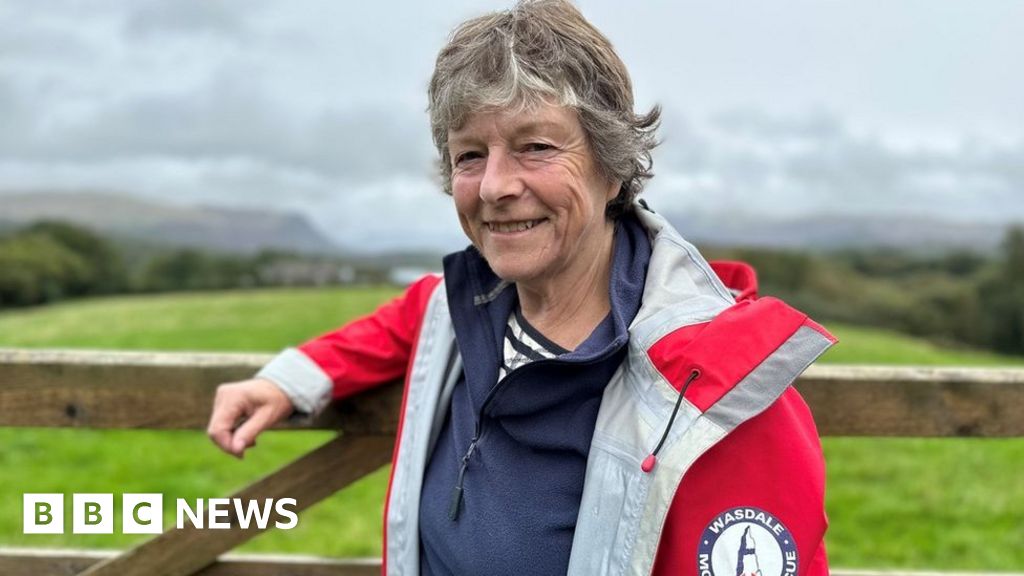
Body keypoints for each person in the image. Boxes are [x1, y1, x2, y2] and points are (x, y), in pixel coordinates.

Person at [207, 1, 836, 574]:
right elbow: (406, 321)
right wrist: (289, 380)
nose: (493, 187)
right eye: (469, 155)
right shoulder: (466, 306)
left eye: (535, 146)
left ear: (611, 168)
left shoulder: (716, 391)